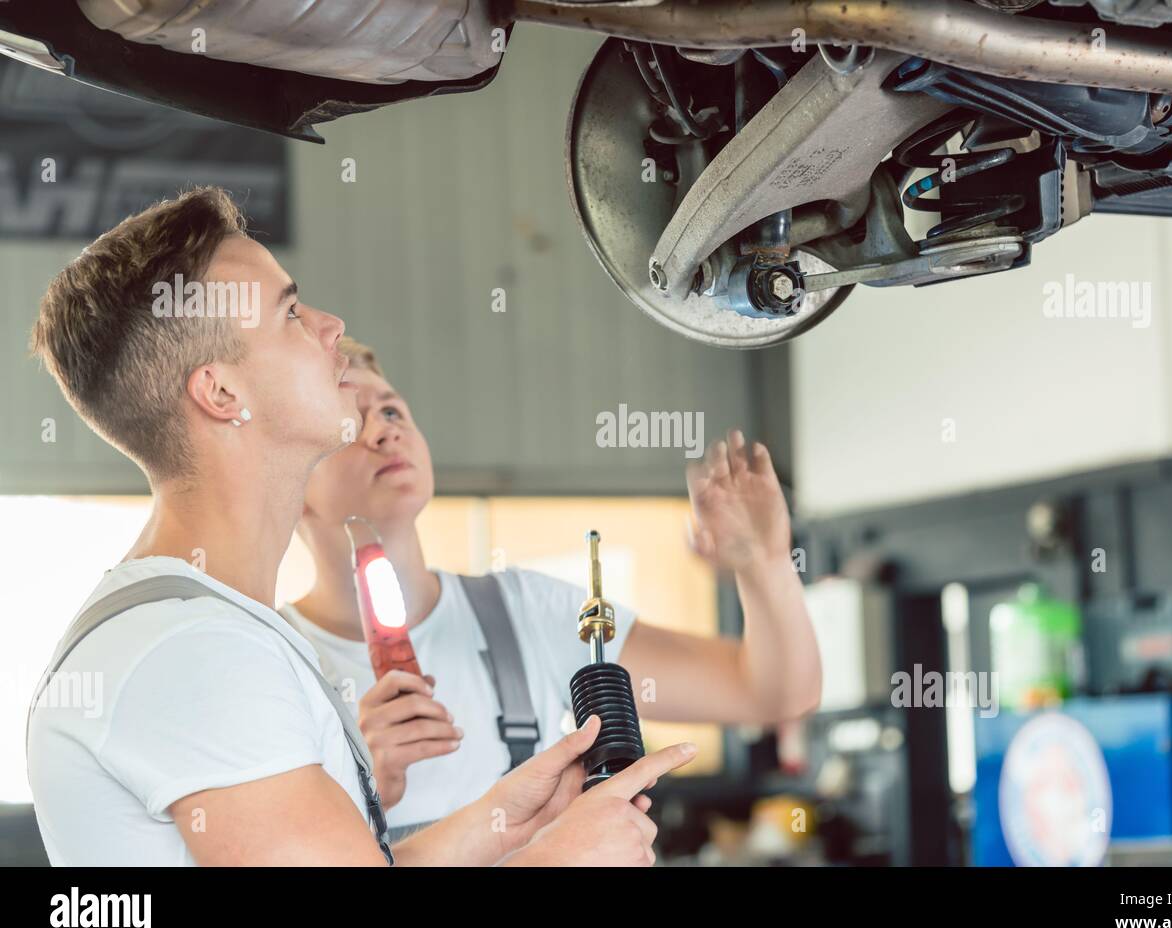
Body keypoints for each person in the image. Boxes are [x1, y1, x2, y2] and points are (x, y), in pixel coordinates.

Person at [26, 186, 693, 866]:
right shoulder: (192, 650)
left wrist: (503, 823)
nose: (330, 324)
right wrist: (563, 859)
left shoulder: (211, 627)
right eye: (290, 312)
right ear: (222, 393)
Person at [284, 337, 822, 831]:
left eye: (392, 408)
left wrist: (764, 563)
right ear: (286, 479)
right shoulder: (270, 659)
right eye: (350, 424)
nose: (385, 429)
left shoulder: (524, 612)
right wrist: (363, 789)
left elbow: (773, 692)